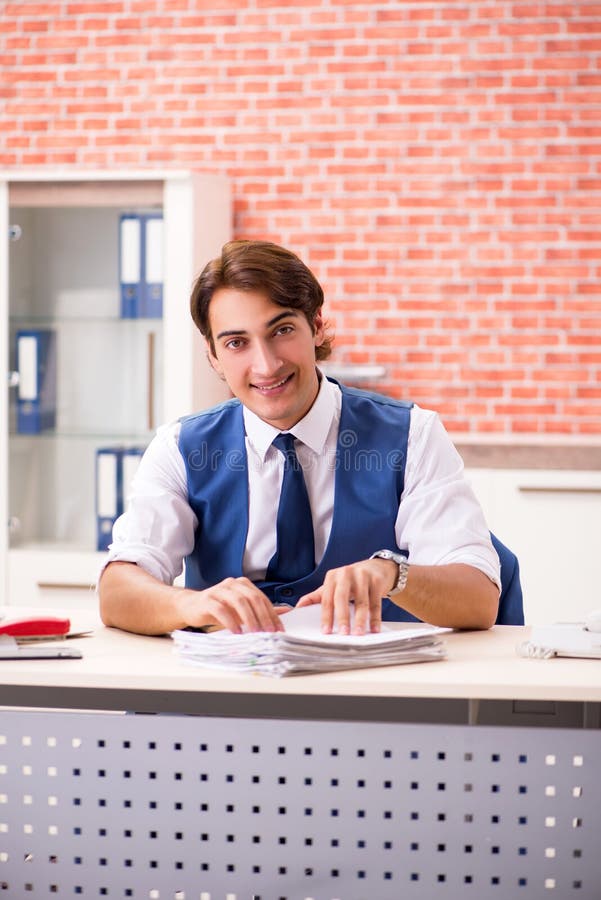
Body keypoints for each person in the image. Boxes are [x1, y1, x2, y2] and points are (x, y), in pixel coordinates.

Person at [99, 240, 500, 637]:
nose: (266, 365)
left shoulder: (412, 435)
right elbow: (117, 591)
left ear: (317, 326)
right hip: (236, 675)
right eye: (236, 343)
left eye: (282, 330)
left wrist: (391, 574)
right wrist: (190, 604)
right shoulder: (180, 448)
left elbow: (478, 598)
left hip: (376, 675)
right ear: (213, 356)